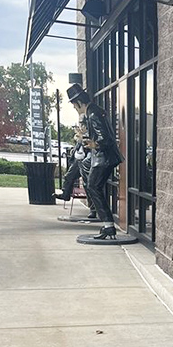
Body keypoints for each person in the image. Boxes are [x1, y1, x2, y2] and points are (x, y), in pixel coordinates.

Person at [66, 83, 124, 241]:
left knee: (92, 187)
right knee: (93, 187)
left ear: (78, 103)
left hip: (103, 159)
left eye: (74, 106)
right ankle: (108, 226)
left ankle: (108, 226)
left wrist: (94, 144)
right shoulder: (94, 112)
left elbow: (104, 138)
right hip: (104, 158)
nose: (75, 109)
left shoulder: (93, 114)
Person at [54, 119, 94, 215]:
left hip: (86, 161)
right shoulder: (81, 136)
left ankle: (93, 209)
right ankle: (65, 194)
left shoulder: (90, 135)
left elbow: (89, 146)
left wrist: (81, 138)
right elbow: (79, 146)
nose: (80, 128)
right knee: (68, 176)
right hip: (78, 160)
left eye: (82, 126)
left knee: (88, 185)